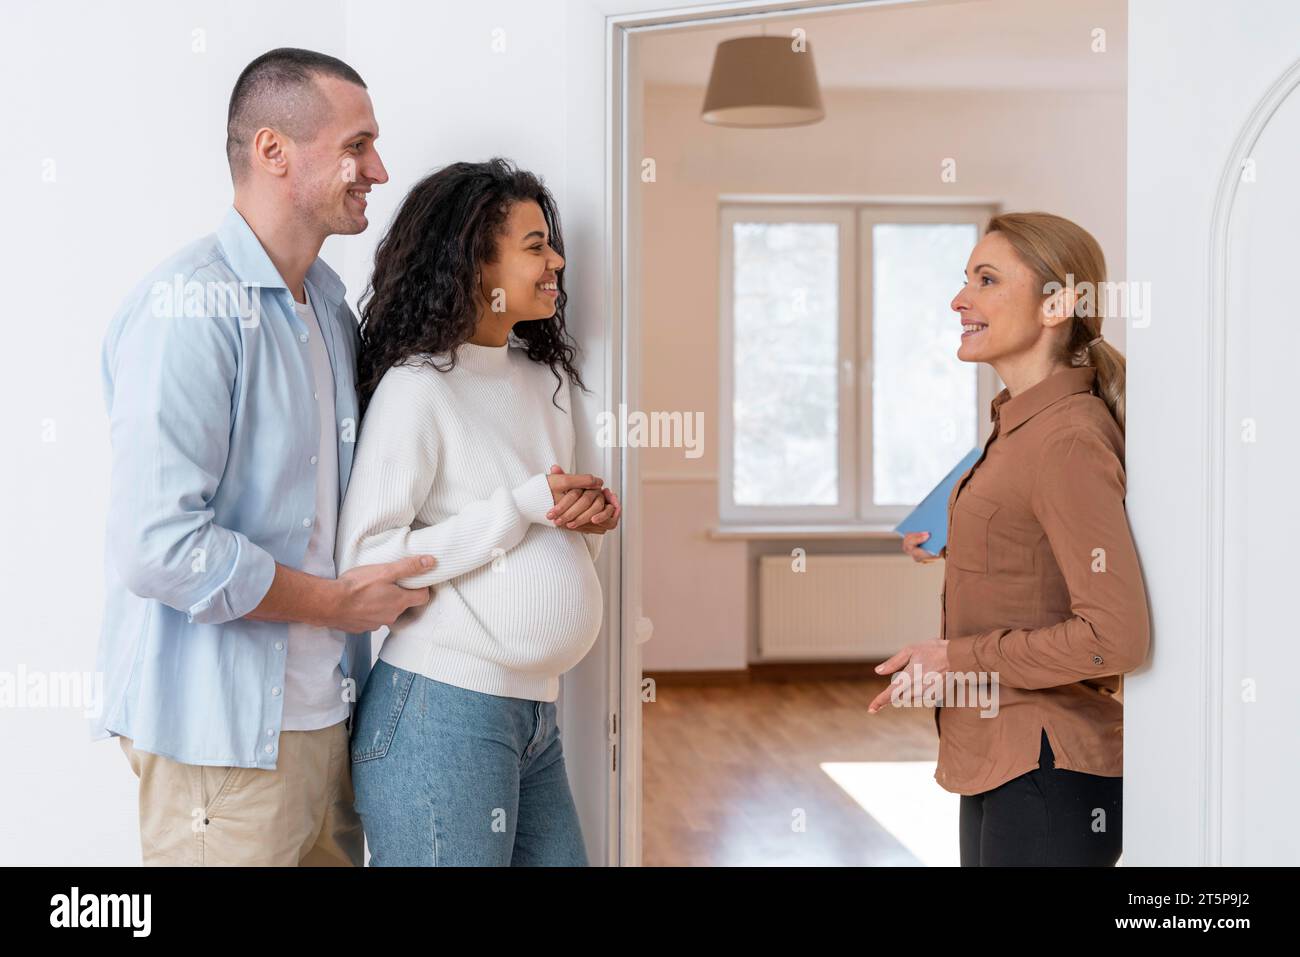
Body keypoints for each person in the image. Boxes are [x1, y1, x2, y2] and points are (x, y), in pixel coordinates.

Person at [94, 48, 432, 866]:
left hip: (328, 725)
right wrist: (335, 605)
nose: (377, 169)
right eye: (358, 145)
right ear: (273, 151)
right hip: (220, 747)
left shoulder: (328, 308)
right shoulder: (189, 311)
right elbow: (160, 546)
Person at [335, 158, 621, 866]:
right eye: (534, 245)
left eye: (551, 242)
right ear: (474, 262)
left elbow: (542, 546)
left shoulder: (544, 382)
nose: (557, 259)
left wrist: (587, 527)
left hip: (534, 717)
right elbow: (370, 560)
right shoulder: (416, 388)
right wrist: (523, 505)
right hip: (440, 709)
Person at [872, 211, 1150, 866]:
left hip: (1047, 767)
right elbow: (1019, 512)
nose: (959, 298)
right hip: (1000, 754)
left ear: (1058, 304)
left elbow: (1116, 636)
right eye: (966, 278)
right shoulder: (1015, 422)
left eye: (987, 279)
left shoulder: (1066, 437)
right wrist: (946, 529)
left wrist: (954, 658)